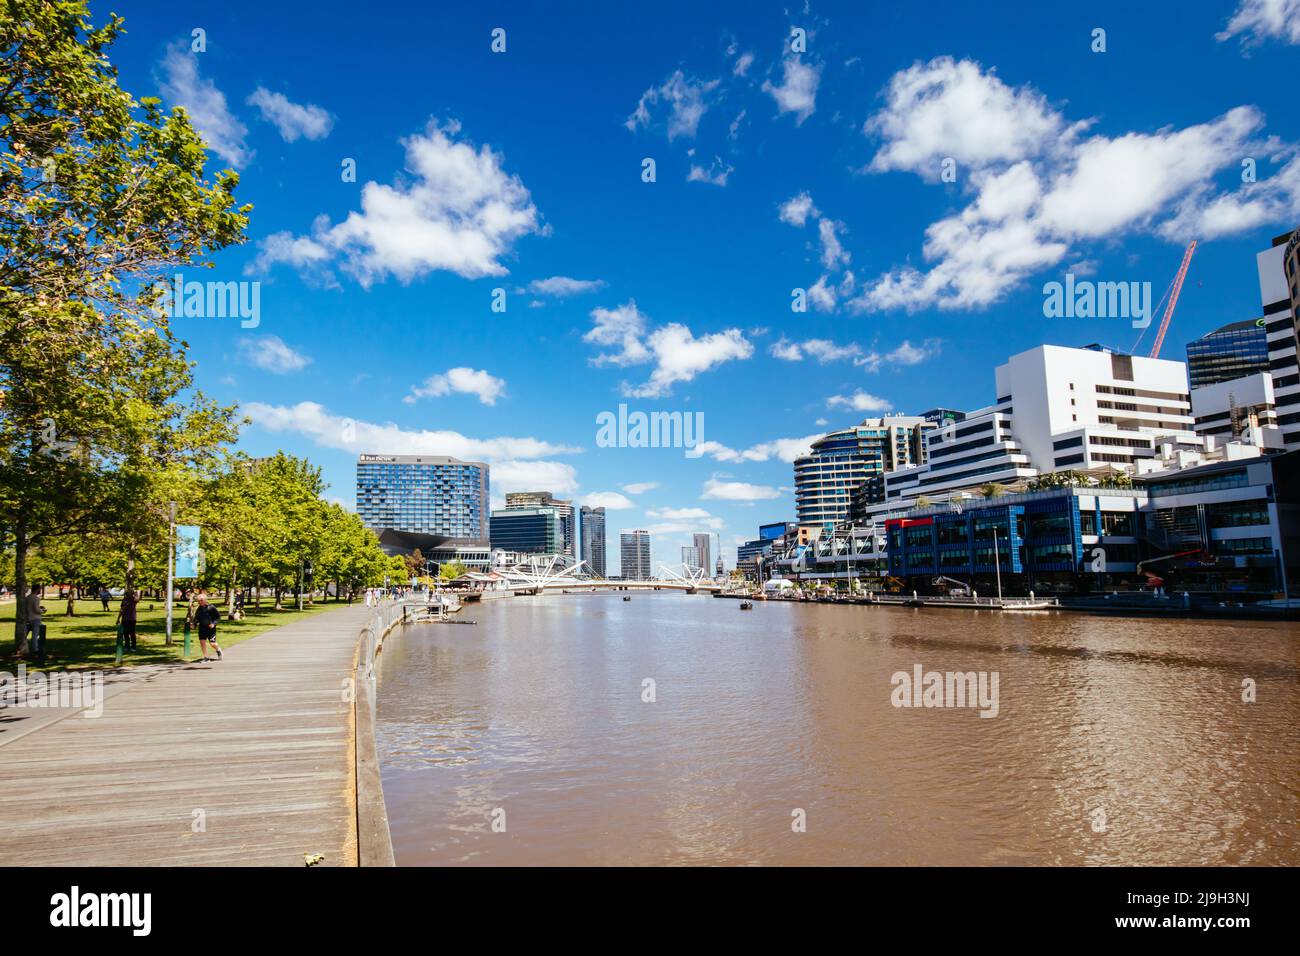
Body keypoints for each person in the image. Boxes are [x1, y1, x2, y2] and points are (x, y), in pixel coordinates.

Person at [194, 592, 223, 661]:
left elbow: (218, 617)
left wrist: (213, 624)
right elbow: (197, 618)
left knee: (212, 643)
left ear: (205, 600)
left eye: (201, 600)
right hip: (202, 628)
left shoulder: (211, 607)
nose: (199, 602)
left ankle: (218, 650)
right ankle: (206, 657)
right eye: (198, 600)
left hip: (211, 628)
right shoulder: (199, 609)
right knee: (202, 642)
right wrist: (194, 624)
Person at [24, 584, 45, 658]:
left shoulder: (27, 598)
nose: (40, 591)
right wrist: (42, 611)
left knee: (25, 635)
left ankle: (24, 648)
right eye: (40, 589)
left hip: (28, 618)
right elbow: (36, 609)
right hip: (35, 618)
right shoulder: (36, 598)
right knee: (35, 636)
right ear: (37, 589)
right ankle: (35, 650)